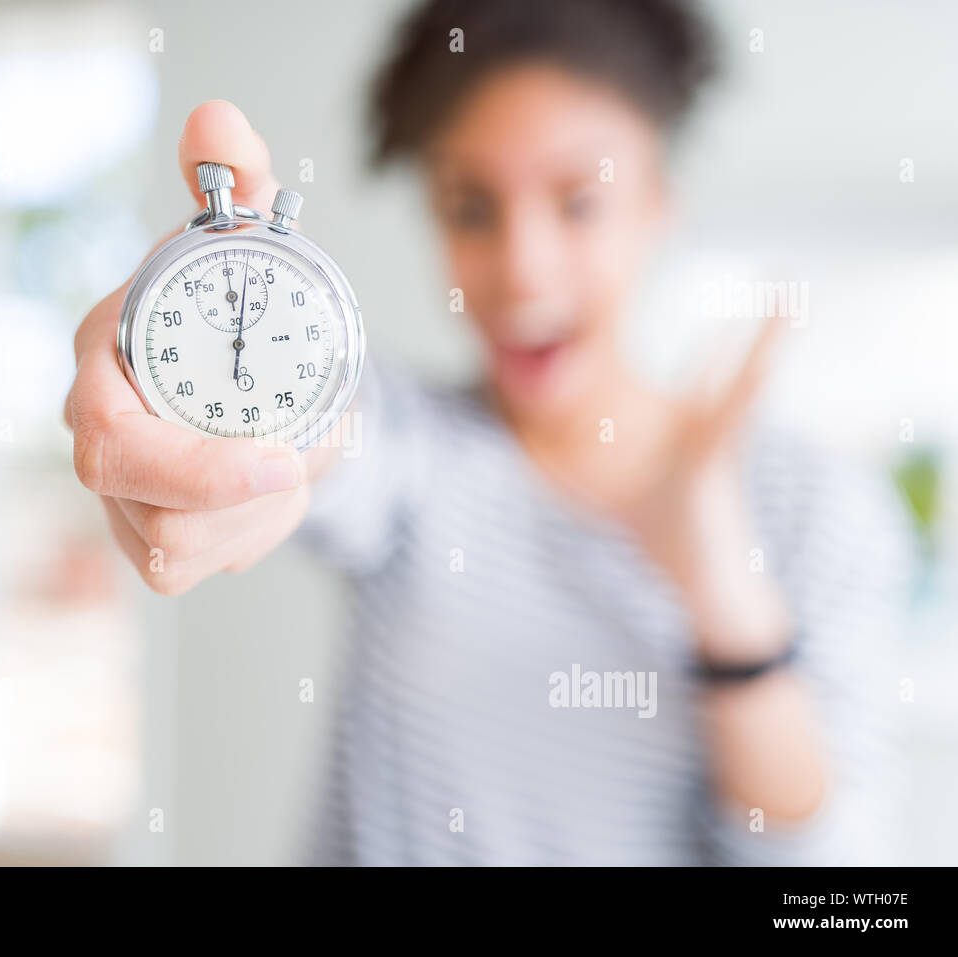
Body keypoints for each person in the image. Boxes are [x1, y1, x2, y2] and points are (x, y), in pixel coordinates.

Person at [65, 0, 912, 865]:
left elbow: (834, 891)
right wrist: (191, 347)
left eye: (580, 203)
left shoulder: (819, 508)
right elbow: (332, 441)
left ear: (660, 205)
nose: (522, 267)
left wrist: (723, 591)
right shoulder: (419, 453)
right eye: (472, 208)